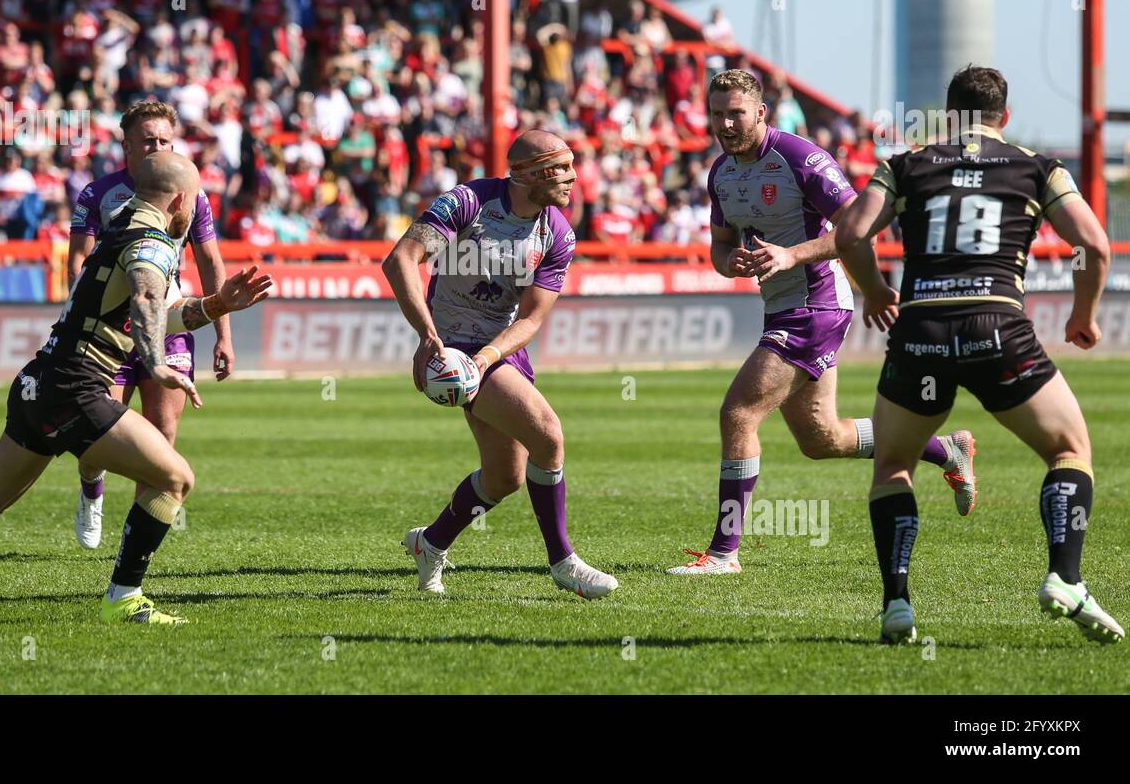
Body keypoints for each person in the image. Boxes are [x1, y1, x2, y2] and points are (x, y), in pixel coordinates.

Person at [0, 153, 273, 625]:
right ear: (182, 201)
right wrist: (156, 362)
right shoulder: (156, 240)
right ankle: (124, 597)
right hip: (77, 388)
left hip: (38, 382)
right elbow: (147, 295)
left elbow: (160, 308)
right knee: (175, 479)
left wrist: (215, 304)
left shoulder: (121, 226)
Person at [834, 65, 1123, 644]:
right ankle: (1065, 578)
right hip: (999, 330)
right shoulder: (1037, 167)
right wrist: (1083, 315)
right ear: (1005, 118)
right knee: (1069, 449)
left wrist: (874, 292)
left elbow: (850, 235)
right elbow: (1092, 242)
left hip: (922, 333)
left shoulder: (906, 164)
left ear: (947, 116)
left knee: (893, 466)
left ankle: (898, 606)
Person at [667, 70, 975, 577]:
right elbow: (721, 245)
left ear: (761, 113)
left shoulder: (800, 158)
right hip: (782, 305)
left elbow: (858, 226)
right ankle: (947, 449)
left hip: (816, 304)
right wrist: (732, 263)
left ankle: (724, 553)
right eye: (716, 113)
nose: (724, 123)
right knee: (821, 439)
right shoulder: (720, 172)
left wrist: (794, 256)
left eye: (735, 113)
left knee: (738, 414)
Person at [382, 129, 618, 599]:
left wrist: (486, 358)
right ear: (533, 173)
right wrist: (429, 337)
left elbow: (532, 316)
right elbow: (400, 260)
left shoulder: (559, 232)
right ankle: (563, 562)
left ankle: (430, 544)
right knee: (548, 434)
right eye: (564, 168)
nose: (575, 178)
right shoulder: (468, 202)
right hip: (450, 344)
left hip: (499, 349)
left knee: (504, 477)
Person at [67, 101, 232, 549]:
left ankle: (132, 537)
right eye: (148, 140)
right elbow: (79, 261)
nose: (157, 146)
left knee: (162, 437)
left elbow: (210, 260)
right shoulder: (98, 193)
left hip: (171, 318)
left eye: (164, 140)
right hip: (113, 330)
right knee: (99, 429)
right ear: (127, 146)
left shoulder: (192, 194)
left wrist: (223, 333)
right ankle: (91, 487)